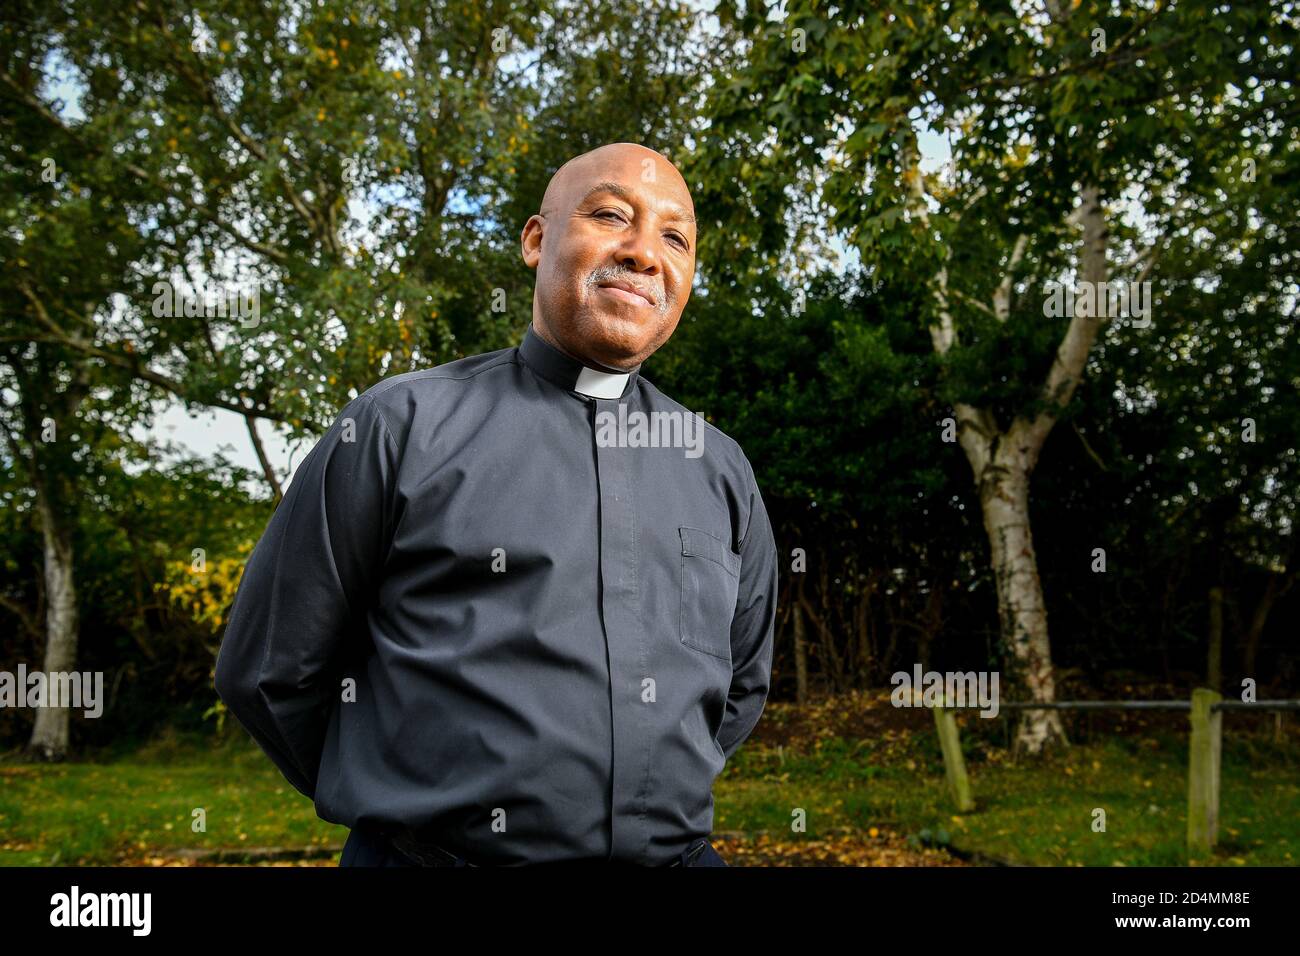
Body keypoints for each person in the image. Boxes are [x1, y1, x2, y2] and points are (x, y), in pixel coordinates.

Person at [214, 142, 779, 867]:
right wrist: (406, 811)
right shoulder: (398, 426)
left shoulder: (721, 467)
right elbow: (268, 670)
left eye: (675, 237)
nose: (643, 252)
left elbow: (740, 687)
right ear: (536, 240)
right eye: (611, 215)